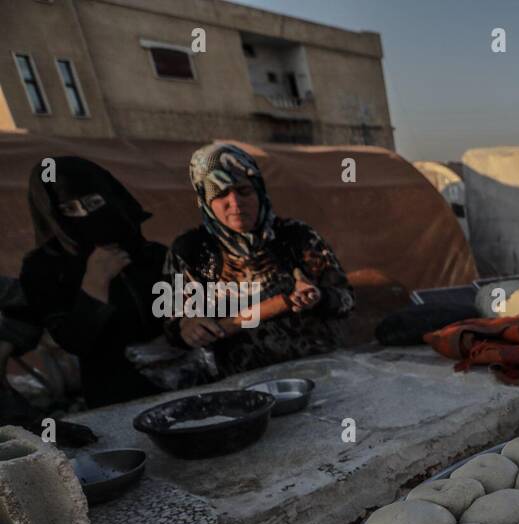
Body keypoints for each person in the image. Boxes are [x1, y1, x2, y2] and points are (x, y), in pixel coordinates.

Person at [162, 142, 354, 383]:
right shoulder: (190, 251)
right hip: (243, 385)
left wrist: (320, 297)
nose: (235, 203)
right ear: (204, 200)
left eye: (244, 191)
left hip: (322, 373)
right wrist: (186, 326)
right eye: (221, 194)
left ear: (260, 191)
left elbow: (347, 299)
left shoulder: (296, 236)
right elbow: (169, 324)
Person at [7, 157, 168, 407]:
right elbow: (75, 341)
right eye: (69, 210)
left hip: (186, 379)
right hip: (117, 401)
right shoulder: (44, 269)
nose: (86, 217)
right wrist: (95, 284)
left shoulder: (152, 254)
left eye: (94, 203)